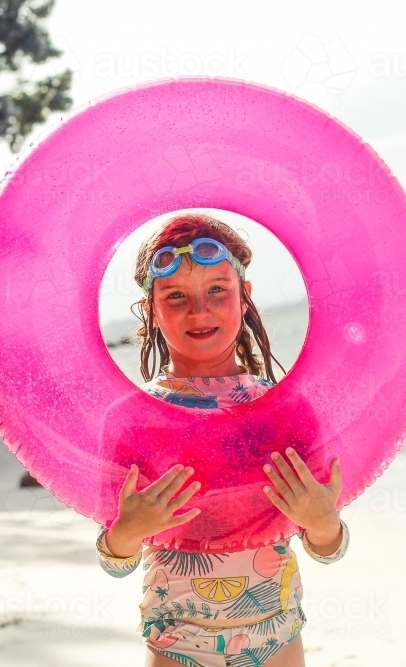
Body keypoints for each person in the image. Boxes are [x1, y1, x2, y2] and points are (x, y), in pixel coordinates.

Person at [95, 212, 350, 667]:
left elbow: (327, 547)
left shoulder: (283, 412)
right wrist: (127, 532)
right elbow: (116, 558)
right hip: (177, 641)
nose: (199, 310)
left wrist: (323, 523)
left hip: (276, 635)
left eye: (217, 290)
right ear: (151, 309)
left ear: (244, 296)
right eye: (175, 296)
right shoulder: (135, 420)